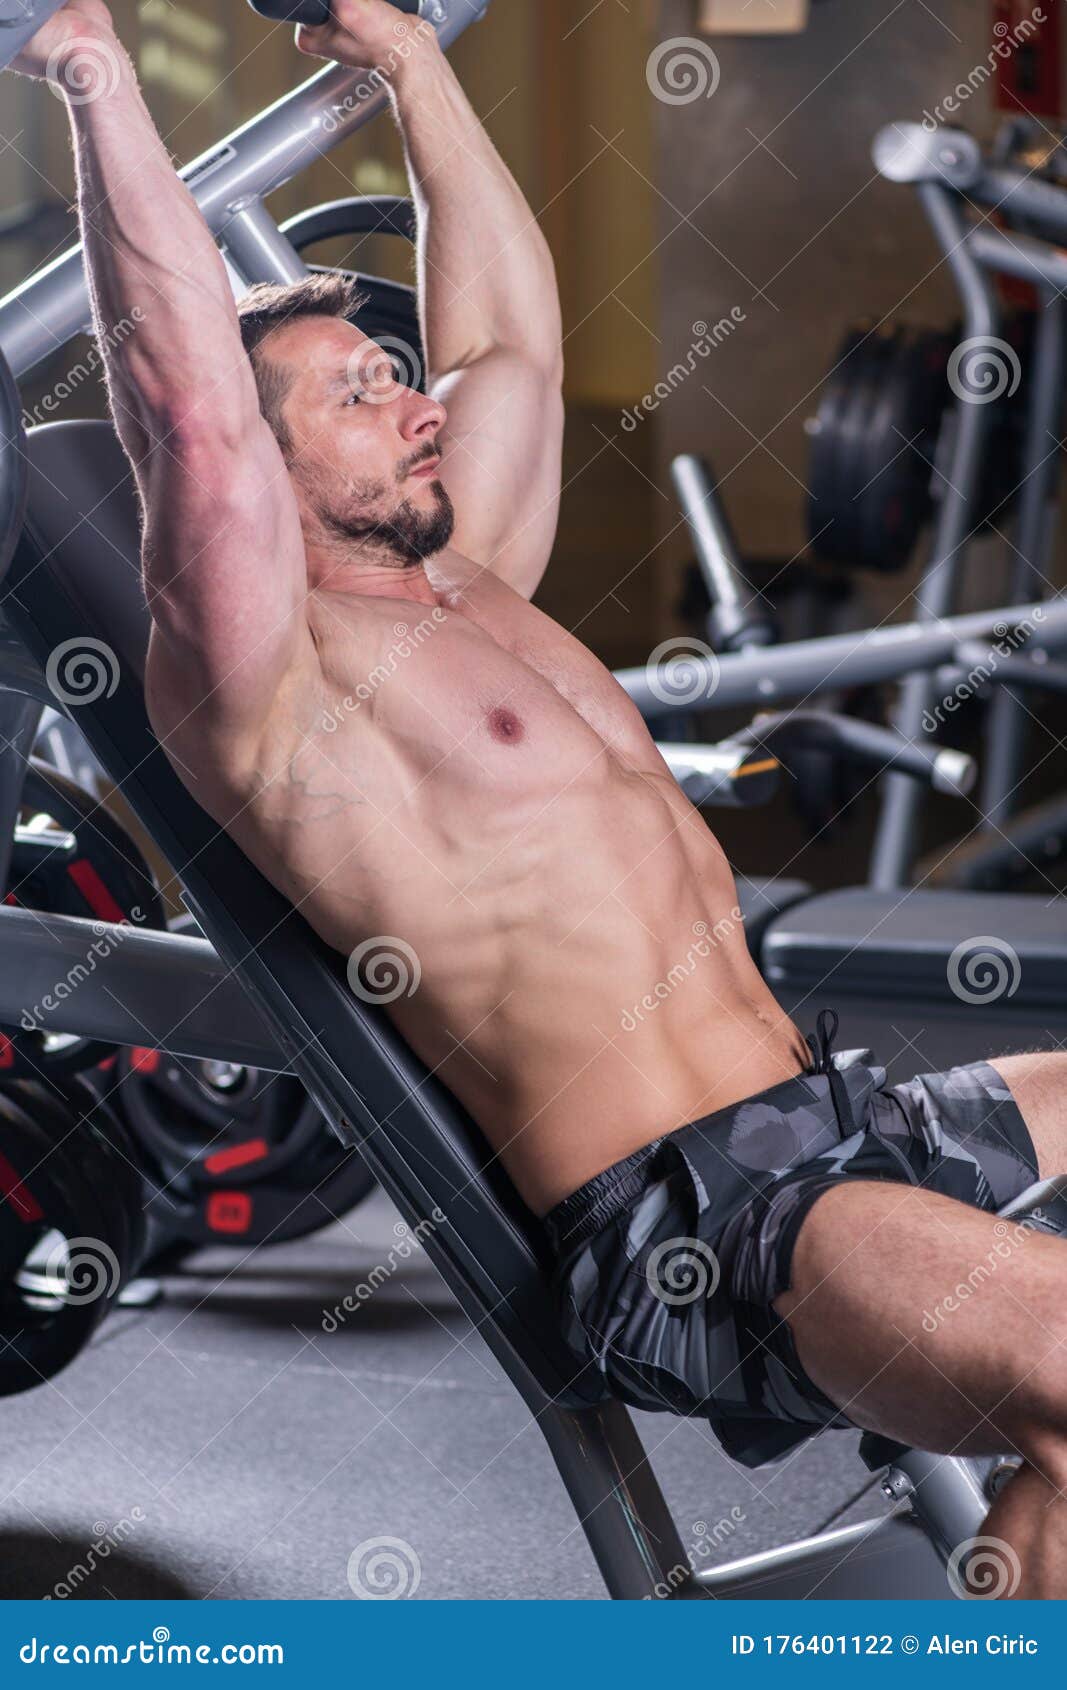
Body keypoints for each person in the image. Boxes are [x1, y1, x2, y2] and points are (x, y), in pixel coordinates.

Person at [12, 0, 1067, 1597]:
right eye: (358, 396)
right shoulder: (280, 698)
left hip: (841, 1118)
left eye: (392, 374)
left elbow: (511, 348)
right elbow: (190, 420)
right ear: (265, 483)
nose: (415, 402)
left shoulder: (478, 584)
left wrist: (409, 62)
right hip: (711, 1221)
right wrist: (93, 66)